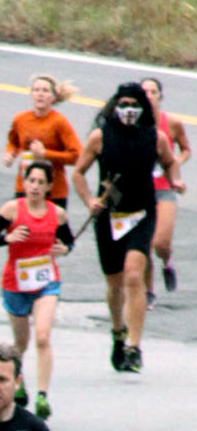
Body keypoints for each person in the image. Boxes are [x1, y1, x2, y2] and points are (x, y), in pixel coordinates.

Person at [71, 81, 183, 373]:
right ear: (114, 107)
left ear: (143, 109)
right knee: (115, 283)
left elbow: (170, 163)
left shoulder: (154, 138)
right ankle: (118, 332)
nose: (129, 110)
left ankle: (134, 347)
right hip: (108, 217)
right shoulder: (100, 137)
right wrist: (89, 200)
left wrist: (176, 180)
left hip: (141, 214)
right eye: (124, 105)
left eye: (134, 105)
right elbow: (79, 173)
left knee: (134, 275)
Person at [0, 159, 74, 417]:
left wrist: (65, 249)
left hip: (46, 282)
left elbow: (68, 242)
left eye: (40, 182)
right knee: (21, 343)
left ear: (49, 187)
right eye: (31, 181)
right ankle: (19, 383)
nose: (34, 186)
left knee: (43, 336)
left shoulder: (57, 214)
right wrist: (7, 238)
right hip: (16, 283)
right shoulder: (12, 209)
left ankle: (43, 397)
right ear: (24, 183)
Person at [3, 75, 81, 208]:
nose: (40, 94)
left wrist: (45, 154)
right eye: (36, 90)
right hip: (24, 188)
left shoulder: (59, 122)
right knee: (21, 228)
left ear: (53, 96)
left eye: (45, 91)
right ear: (31, 94)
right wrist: (9, 154)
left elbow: (77, 156)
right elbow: (13, 142)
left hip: (53, 192)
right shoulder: (20, 119)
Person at [143, 76, 189, 295]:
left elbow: (185, 149)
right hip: (140, 191)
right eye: (145, 92)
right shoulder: (133, 125)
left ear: (160, 96)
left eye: (153, 92)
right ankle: (148, 291)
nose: (149, 96)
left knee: (160, 242)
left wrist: (175, 163)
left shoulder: (171, 123)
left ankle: (166, 262)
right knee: (142, 247)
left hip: (164, 189)